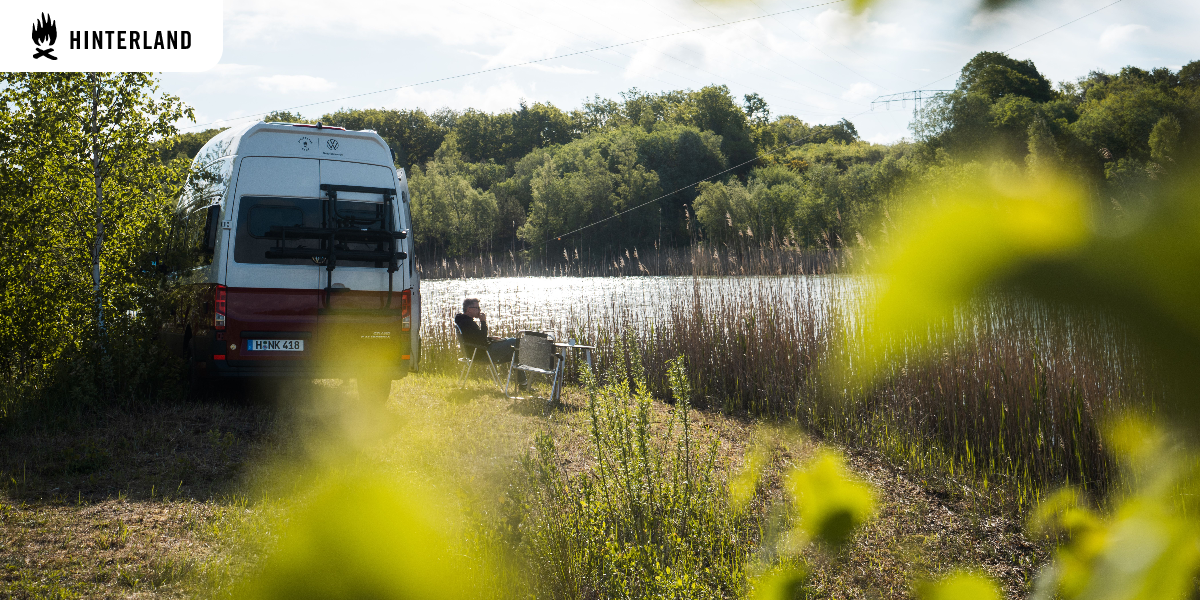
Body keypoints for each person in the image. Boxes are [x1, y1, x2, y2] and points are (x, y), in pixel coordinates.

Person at [454, 298, 527, 387]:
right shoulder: (467, 322)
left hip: (477, 353)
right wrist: (483, 322)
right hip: (482, 354)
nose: (479, 310)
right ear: (469, 309)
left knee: (515, 353)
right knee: (514, 341)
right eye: (477, 308)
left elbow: (476, 339)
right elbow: (481, 338)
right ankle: (532, 347)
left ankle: (523, 384)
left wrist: (490, 339)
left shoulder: (463, 321)